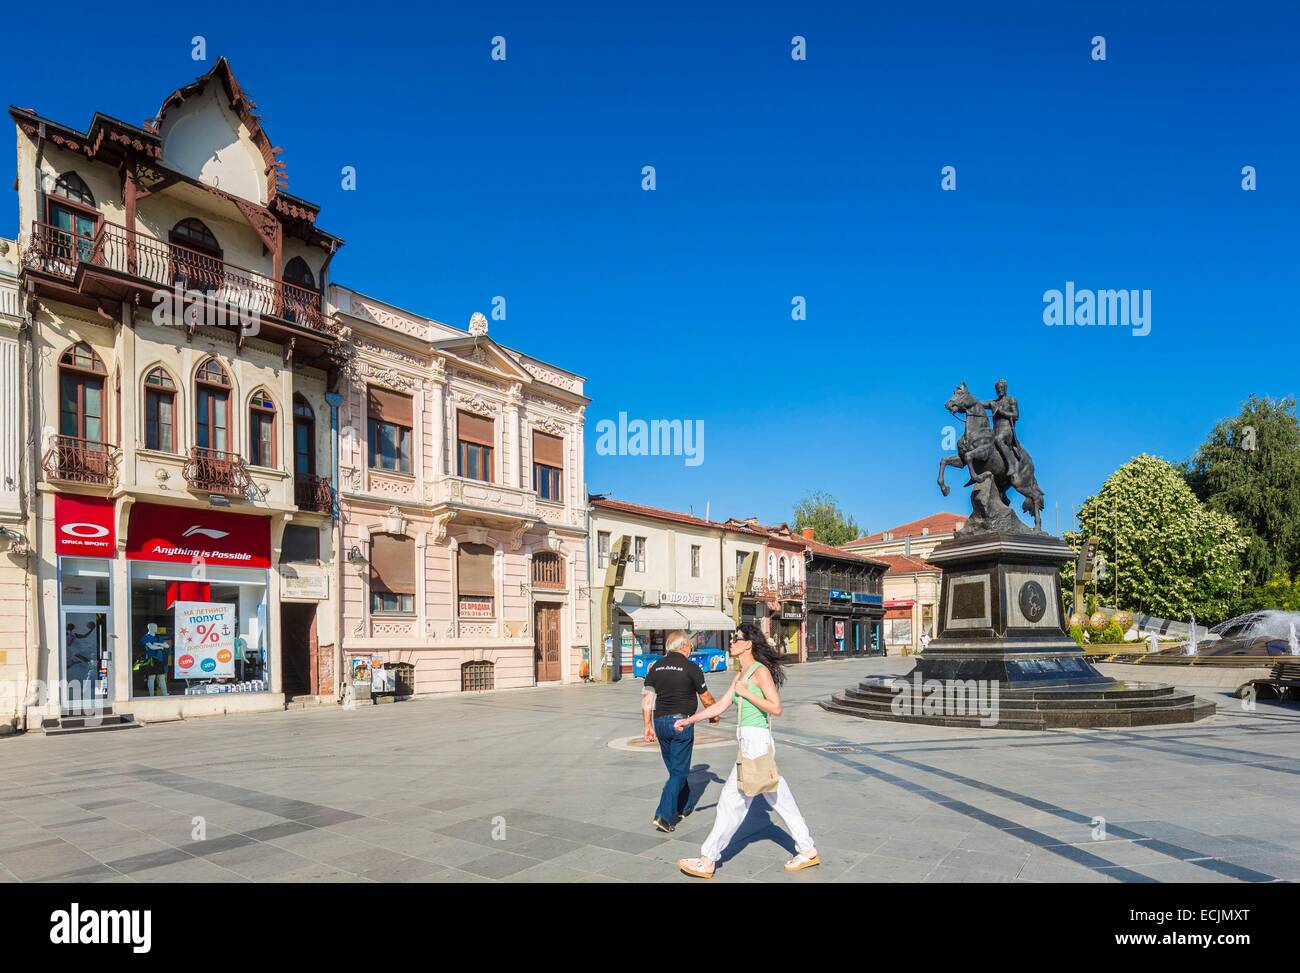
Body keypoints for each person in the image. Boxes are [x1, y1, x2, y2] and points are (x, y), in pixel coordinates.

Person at [673, 621, 820, 878]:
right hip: (749, 742)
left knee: (733, 802)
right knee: (779, 798)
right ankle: (807, 850)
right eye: (731, 638)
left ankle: (707, 860)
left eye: (736, 638)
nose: (731, 642)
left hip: (756, 741)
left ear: (748, 644)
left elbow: (776, 707)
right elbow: (720, 706)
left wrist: (747, 694)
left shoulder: (759, 672)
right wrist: (690, 720)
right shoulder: (740, 675)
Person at [642, 630, 717, 833]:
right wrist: (714, 713)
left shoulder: (655, 667)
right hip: (681, 723)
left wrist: (647, 725)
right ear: (684, 646)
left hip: (660, 723)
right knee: (679, 771)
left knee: (675, 769)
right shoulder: (691, 667)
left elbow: (648, 699)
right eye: (690, 646)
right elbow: (706, 697)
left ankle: (683, 806)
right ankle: (664, 816)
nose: (691, 649)